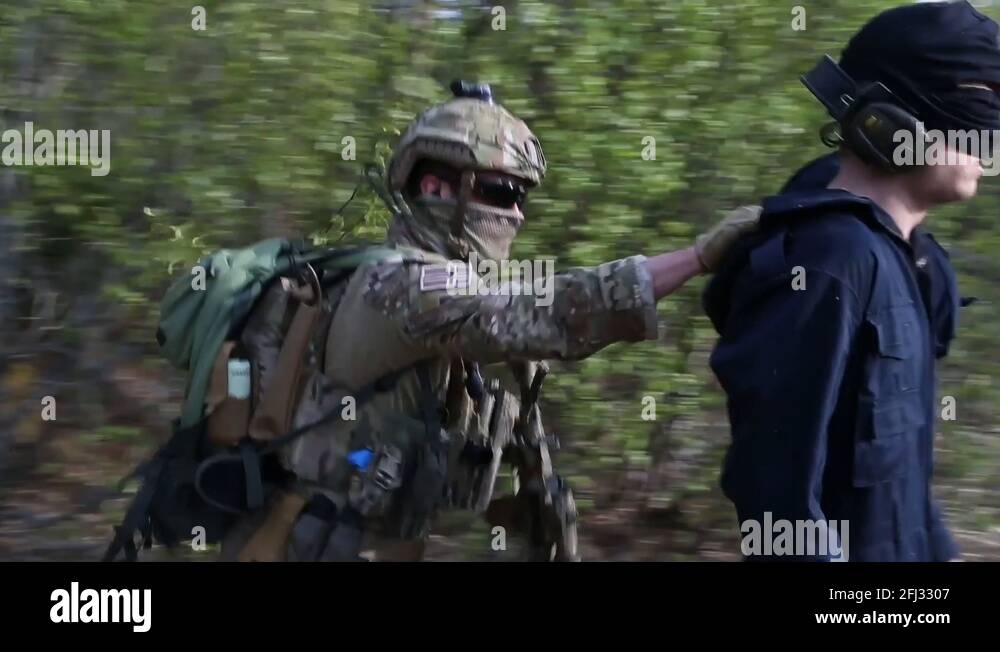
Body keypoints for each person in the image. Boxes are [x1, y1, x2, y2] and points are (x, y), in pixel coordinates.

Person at [218, 80, 759, 561]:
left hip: (360, 535)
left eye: (522, 196)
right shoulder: (405, 284)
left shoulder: (423, 281)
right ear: (435, 189)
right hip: (315, 539)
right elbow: (533, 312)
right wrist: (696, 258)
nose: (517, 214)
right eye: (501, 192)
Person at [703, 1, 1000, 562]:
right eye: (980, 105)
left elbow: (902, 482)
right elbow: (777, 503)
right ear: (888, 122)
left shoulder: (912, 263)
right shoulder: (828, 261)